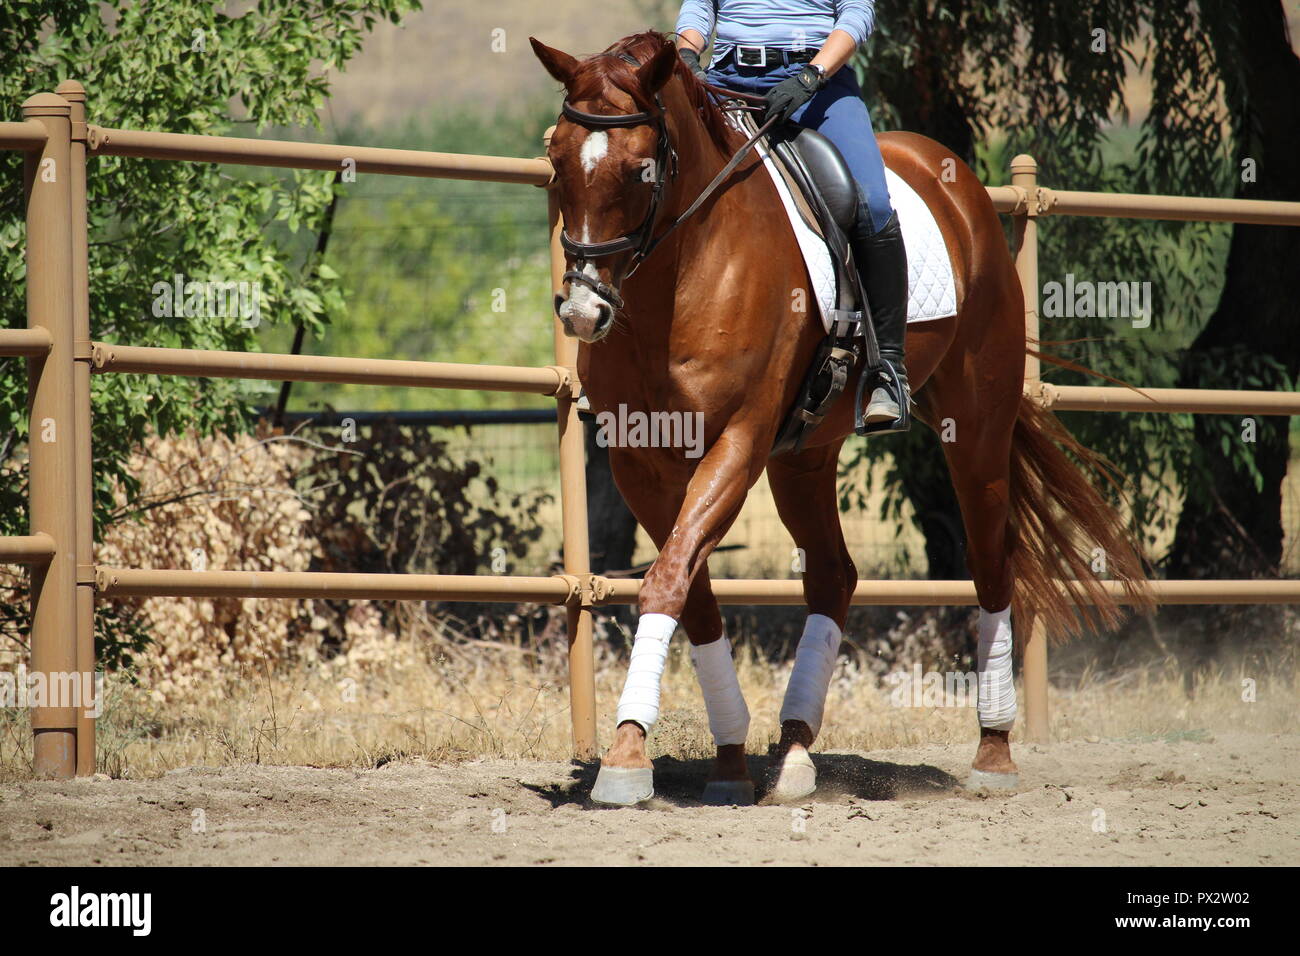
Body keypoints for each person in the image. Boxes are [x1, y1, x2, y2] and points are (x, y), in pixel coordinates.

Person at [675, 0, 910, 432]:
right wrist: (688, 54)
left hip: (816, 85)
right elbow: (699, 6)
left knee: (873, 202)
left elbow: (857, 14)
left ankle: (888, 373)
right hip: (724, 78)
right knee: (651, 167)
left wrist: (812, 75)